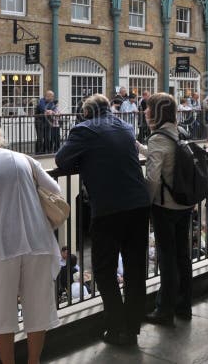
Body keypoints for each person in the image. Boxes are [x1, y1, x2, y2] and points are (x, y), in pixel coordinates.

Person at [0, 112, 60, 364]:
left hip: (2, 245)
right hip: (37, 240)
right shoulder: (23, 159)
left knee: (2, 315)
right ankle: (34, 361)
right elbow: (55, 190)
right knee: (37, 310)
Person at [55, 94, 150, 347]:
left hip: (109, 209)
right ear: (108, 108)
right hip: (139, 204)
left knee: (104, 270)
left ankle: (116, 325)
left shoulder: (84, 129)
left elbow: (61, 160)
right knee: (135, 268)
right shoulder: (126, 127)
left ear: (86, 113)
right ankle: (132, 329)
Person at [138, 93, 194, 326]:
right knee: (183, 255)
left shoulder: (158, 138)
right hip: (185, 204)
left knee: (167, 258)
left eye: (148, 108)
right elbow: (165, 154)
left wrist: (145, 204)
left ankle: (164, 310)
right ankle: (184, 306)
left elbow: (153, 179)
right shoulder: (180, 132)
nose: (145, 111)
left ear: (157, 112)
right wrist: (140, 147)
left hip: (165, 207)